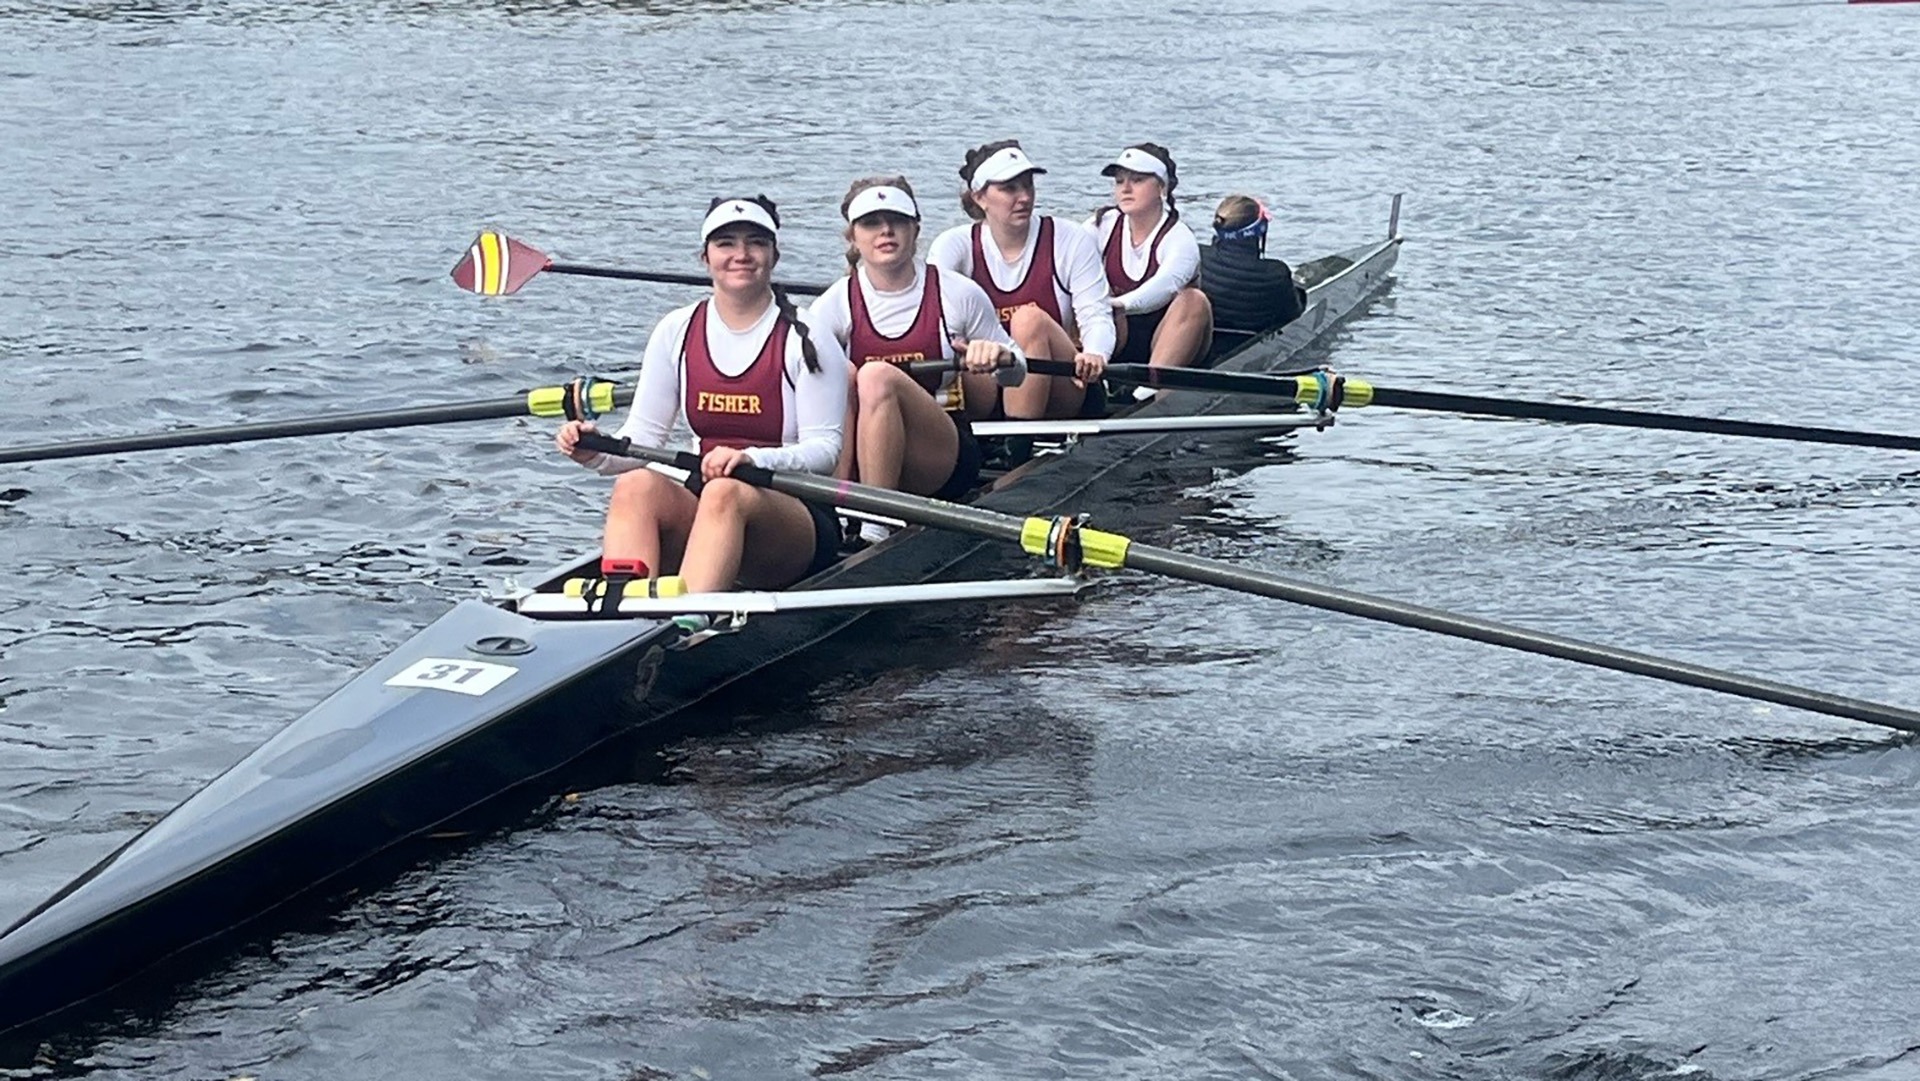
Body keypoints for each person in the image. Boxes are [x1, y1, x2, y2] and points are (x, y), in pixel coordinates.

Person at [554, 195, 852, 595]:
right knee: (635, 485)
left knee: (725, 492)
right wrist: (594, 452)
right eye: (726, 243)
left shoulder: (808, 336)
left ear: (774, 255)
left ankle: (690, 617)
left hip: (795, 517)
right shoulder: (676, 330)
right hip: (709, 501)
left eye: (756, 242)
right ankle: (626, 611)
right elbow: (643, 439)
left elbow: (825, 451)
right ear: (705, 257)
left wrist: (752, 458)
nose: (741, 254)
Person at [807, 176, 1022, 526]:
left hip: (940, 454)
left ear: (915, 229)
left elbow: (1018, 374)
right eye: (871, 223)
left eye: (897, 221)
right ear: (853, 237)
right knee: (838, 374)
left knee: (875, 376)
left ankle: (875, 527)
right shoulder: (834, 304)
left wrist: (998, 358)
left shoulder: (958, 293)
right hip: (863, 451)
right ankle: (831, 516)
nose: (886, 231)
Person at [928, 140, 1115, 420]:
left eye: (1028, 186)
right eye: (1010, 188)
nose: (1025, 197)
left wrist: (1095, 353)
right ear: (980, 197)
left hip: (1062, 383)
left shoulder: (1068, 238)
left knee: (1028, 320)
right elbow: (937, 322)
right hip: (986, 381)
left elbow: (1096, 314)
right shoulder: (953, 246)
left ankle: (1019, 438)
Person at [1090, 143, 1212, 369]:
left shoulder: (1179, 237)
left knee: (1194, 300)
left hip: (1168, 336)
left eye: (1137, 180)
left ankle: (1153, 385)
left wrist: (1117, 304)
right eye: (1119, 181)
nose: (1125, 189)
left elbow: (1165, 286)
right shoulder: (1101, 225)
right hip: (1115, 336)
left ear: (1162, 188)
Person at [1198, 195, 1307, 333]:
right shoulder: (1276, 273)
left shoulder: (1195, 255)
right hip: (1248, 339)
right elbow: (1292, 314)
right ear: (1261, 229)